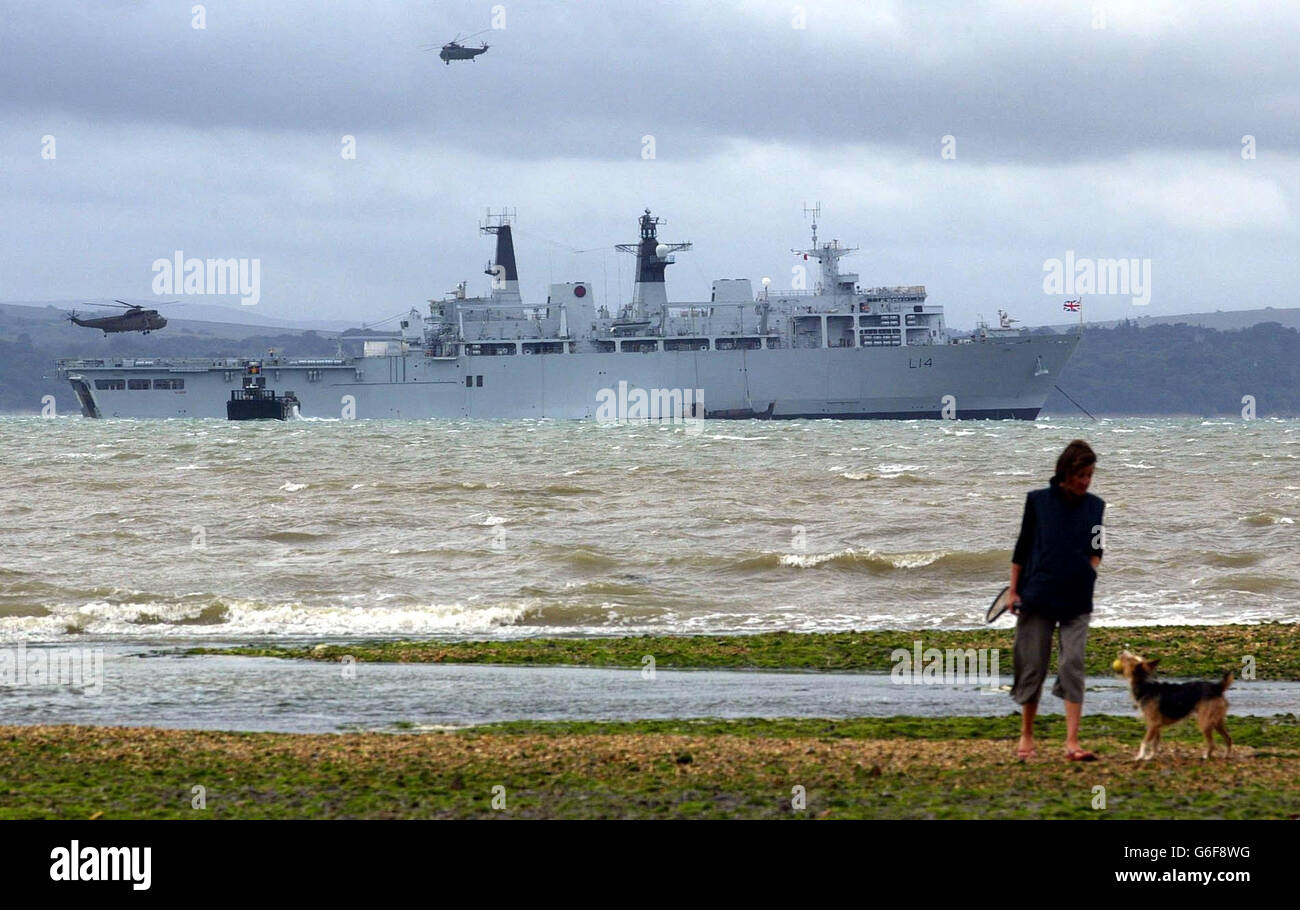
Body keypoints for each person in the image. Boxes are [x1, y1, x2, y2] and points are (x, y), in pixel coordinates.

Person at [1008, 439, 1105, 761]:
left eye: (1090, 475)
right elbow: (1022, 549)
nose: (1086, 481)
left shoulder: (1096, 507)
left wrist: (1087, 574)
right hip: (1037, 596)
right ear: (1066, 471)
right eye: (1081, 475)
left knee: (1072, 664)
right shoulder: (1037, 502)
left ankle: (1073, 742)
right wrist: (1013, 590)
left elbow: (1097, 551)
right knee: (1032, 666)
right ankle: (1026, 737)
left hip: (1078, 598)